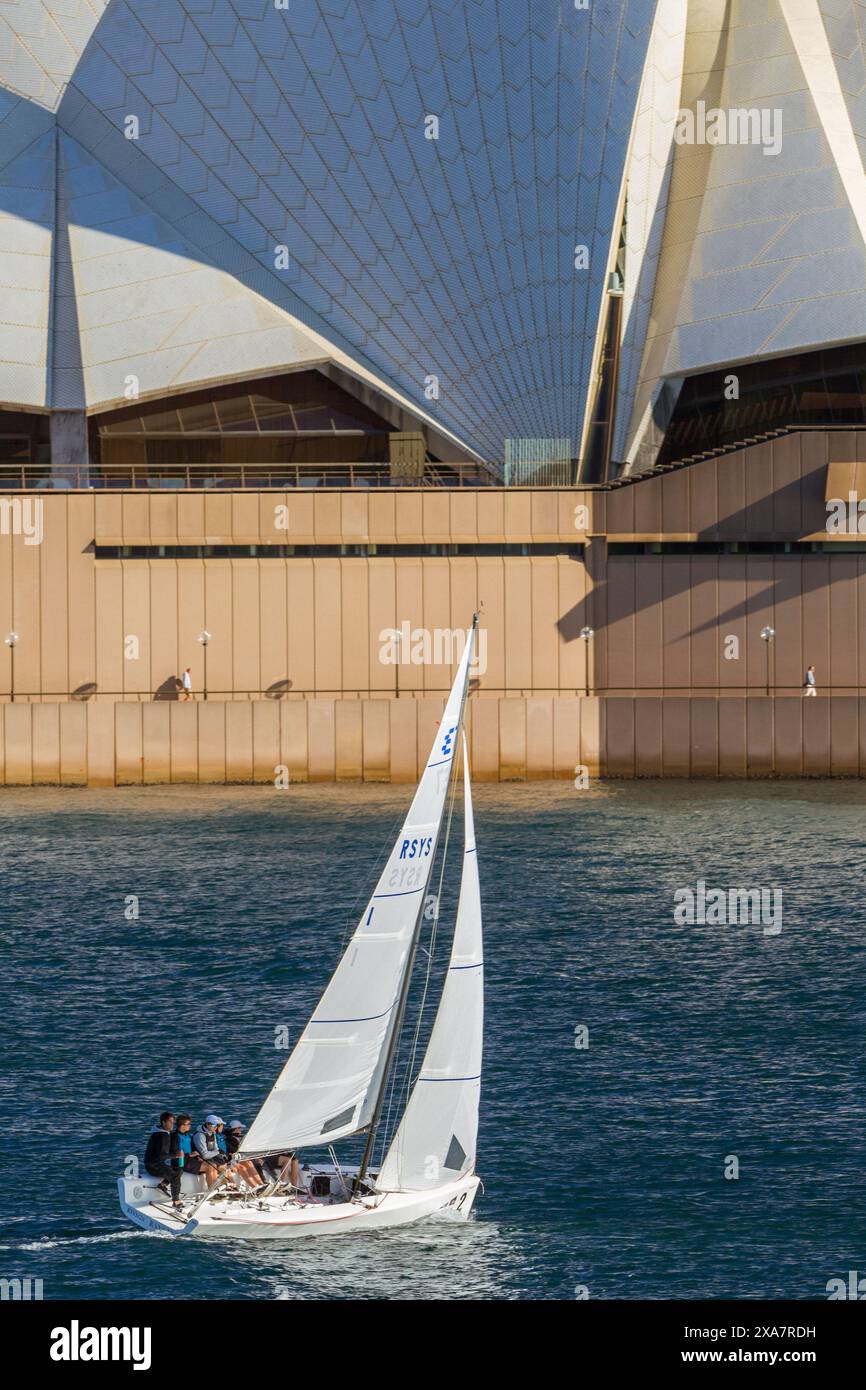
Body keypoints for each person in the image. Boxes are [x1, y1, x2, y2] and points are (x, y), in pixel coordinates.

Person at [144, 1111, 183, 1209]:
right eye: (170, 1122)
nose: (172, 1124)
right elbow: (161, 1155)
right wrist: (176, 1156)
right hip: (153, 1166)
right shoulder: (162, 1135)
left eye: (173, 1122)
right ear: (163, 1122)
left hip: (156, 1164)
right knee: (174, 1176)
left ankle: (162, 1185)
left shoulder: (162, 1133)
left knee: (179, 1170)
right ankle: (176, 1201)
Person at [224, 1121, 266, 1192]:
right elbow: (235, 1151)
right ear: (235, 1129)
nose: (241, 1130)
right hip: (232, 1160)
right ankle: (256, 1187)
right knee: (247, 1165)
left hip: (238, 1158)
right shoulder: (229, 1139)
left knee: (249, 1162)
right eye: (240, 1128)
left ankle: (261, 1184)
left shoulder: (236, 1138)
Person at [192, 1114, 230, 1189]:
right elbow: (205, 1155)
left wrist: (220, 1154)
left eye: (217, 1125)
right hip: (199, 1159)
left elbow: (215, 1149)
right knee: (213, 1166)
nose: (216, 1127)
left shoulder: (212, 1133)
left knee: (223, 1165)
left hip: (210, 1157)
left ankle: (224, 1189)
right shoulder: (200, 1135)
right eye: (215, 1125)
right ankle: (212, 1190)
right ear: (208, 1124)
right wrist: (218, 1152)